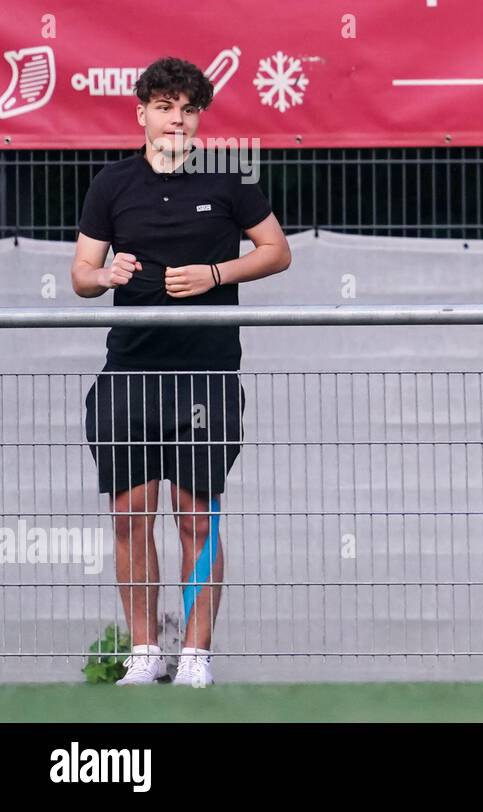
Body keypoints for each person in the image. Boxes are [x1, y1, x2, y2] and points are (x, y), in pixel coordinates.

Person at [71, 56, 292, 687]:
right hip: (129, 374)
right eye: (164, 106)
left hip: (207, 375)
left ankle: (195, 658)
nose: (177, 119)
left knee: (197, 517)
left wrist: (217, 275)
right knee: (132, 515)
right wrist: (104, 274)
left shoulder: (231, 180)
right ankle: (144, 653)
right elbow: (82, 275)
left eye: (188, 108)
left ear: (200, 118)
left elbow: (277, 252)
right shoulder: (110, 183)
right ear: (140, 113)